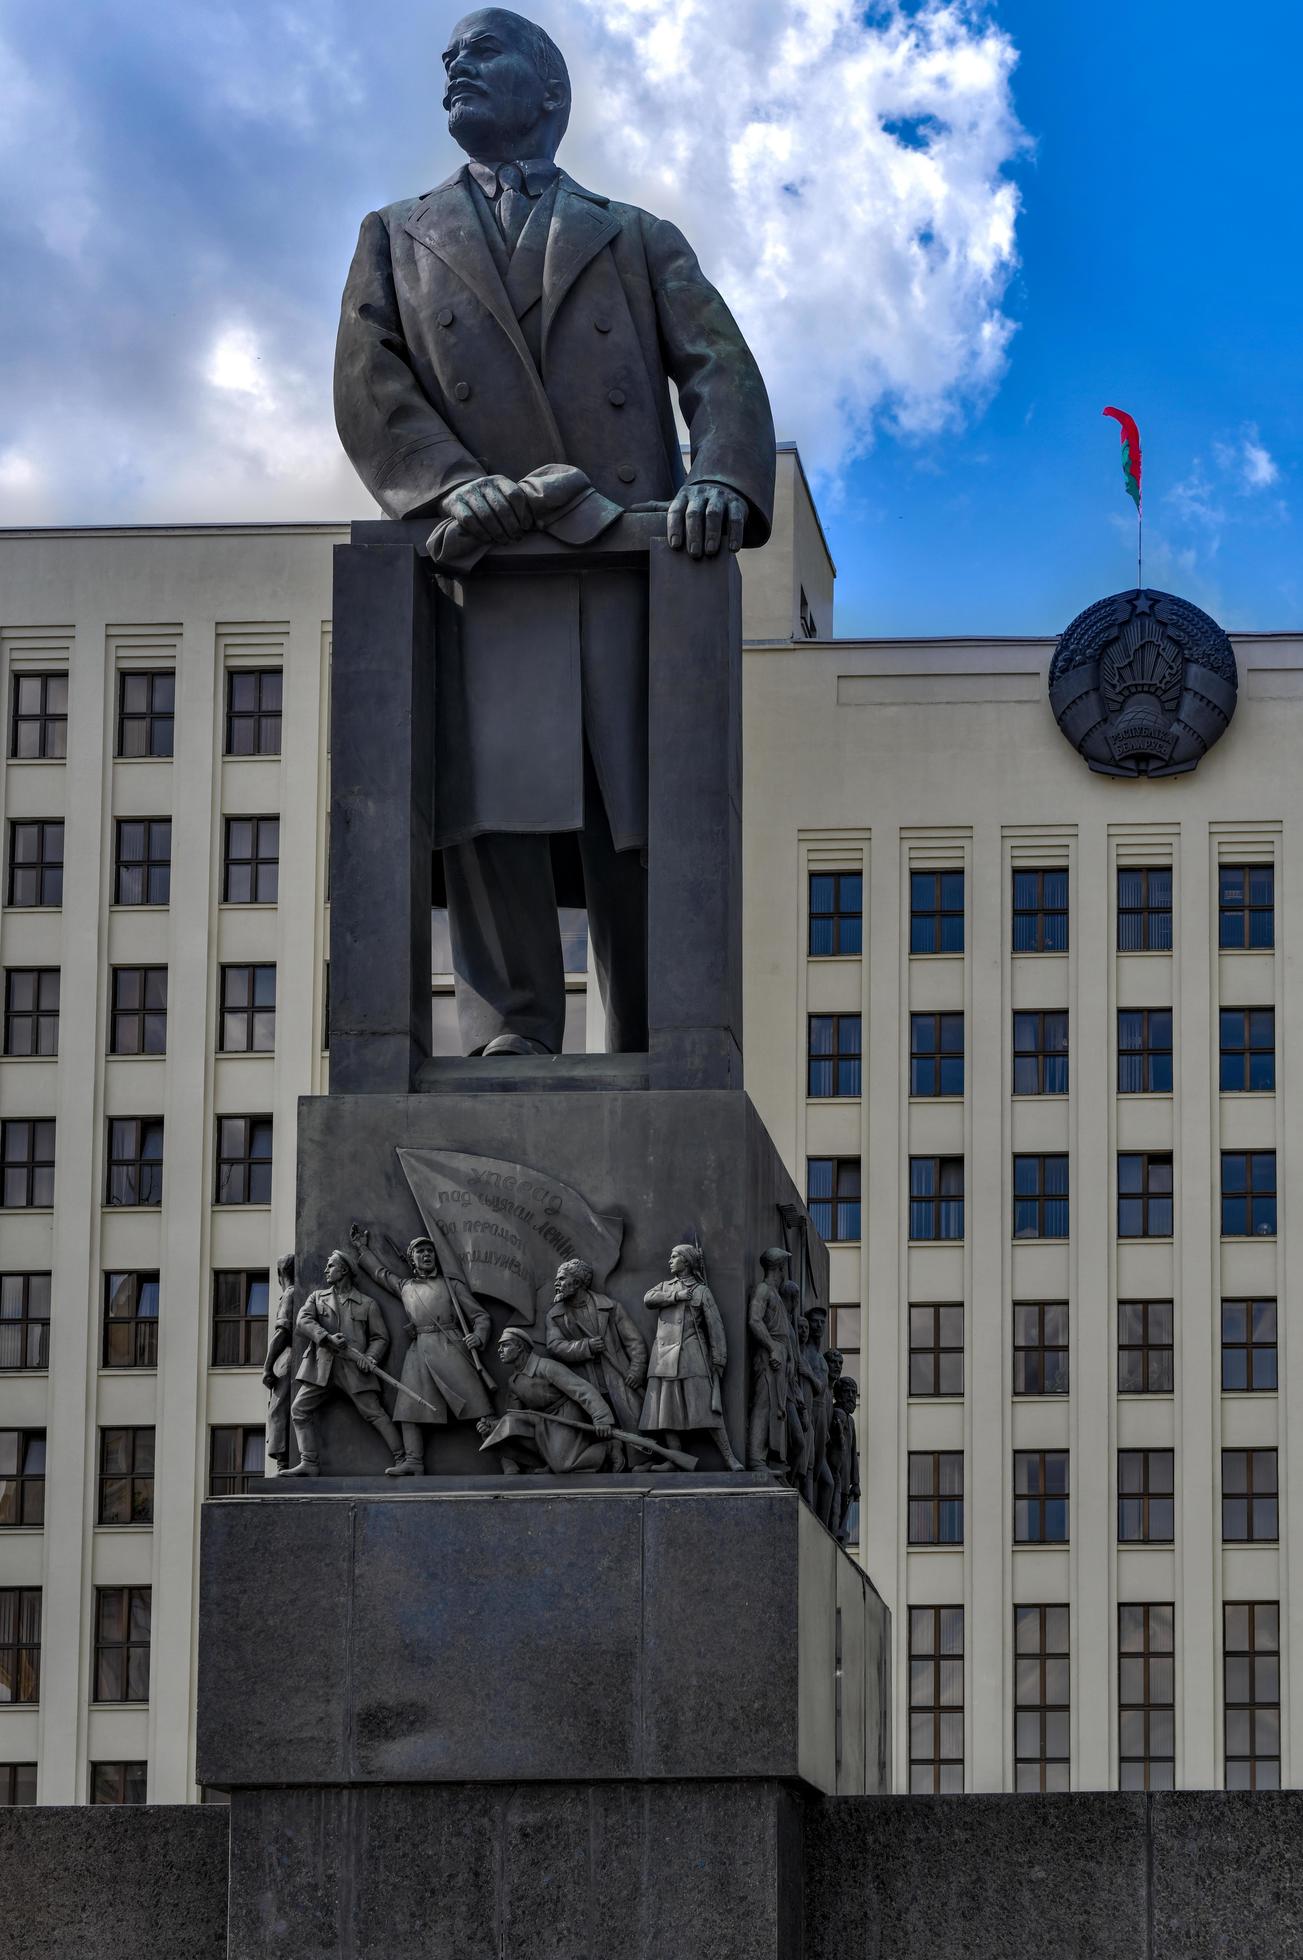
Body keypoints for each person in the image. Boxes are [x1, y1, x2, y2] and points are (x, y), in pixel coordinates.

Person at [334, 8, 776, 1057]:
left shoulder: (633, 234)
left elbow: (719, 367)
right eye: (447, 57)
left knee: (633, 818)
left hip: (619, 564)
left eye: (481, 52)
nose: (454, 66)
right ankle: (511, 1030)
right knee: (491, 807)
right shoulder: (395, 234)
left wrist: (718, 477)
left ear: (549, 93)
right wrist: (446, 488)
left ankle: (648, 1030)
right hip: (487, 564)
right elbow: (370, 382)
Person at [350, 1226, 493, 1472]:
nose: (426, 1255)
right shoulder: (405, 1286)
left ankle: (508, 1459)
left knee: (478, 1405)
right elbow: (379, 1273)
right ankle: (414, 1461)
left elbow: (480, 1316)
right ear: (412, 1258)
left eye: (430, 1251)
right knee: (408, 1407)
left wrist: (478, 1337)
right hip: (419, 1352)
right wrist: (362, 1247)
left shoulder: (451, 1285)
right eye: (420, 1251)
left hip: (451, 1346)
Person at [283, 1250, 405, 1478]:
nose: (326, 1270)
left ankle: (403, 1459)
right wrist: (326, 1338)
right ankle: (309, 1463)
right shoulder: (317, 1297)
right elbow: (302, 1321)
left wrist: (371, 1357)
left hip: (354, 1368)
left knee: (374, 1414)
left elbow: (381, 1338)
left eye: (331, 1266)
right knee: (299, 1409)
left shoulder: (367, 1304)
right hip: (323, 1368)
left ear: (345, 1270)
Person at [640, 1243, 742, 1470]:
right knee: (666, 1411)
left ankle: (729, 1458)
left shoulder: (702, 1291)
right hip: (665, 1357)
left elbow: (715, 1328)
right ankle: (675, 1459)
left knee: (708, 1409)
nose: (670, 1261)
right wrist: (677, 1295)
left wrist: (719, 1360)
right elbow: (648, 1299)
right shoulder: (665, 1287)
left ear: (686, 1262)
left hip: (692, 1354)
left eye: (675, 1257)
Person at [544, 1257, 648, 1469]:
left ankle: (643, 1461)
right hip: (583, 1382)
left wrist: (637, 1369)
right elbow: (554, 1346)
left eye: (562, 1279)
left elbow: (633, 1341)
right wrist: (586, 1347)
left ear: (579, 1282)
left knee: (632, 1417)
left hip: (617, 1378)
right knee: (591, 1428)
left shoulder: (610, 1307)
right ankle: (603, 1457)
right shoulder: (555, 1315)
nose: (557, 1284)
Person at [478, 1327, 616, 1474]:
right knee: (508, 1425)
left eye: (505, 1345)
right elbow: (513, 1415)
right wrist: (491, 1426)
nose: (499, 1350)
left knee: (565, 1467)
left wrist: (601, 1419)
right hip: (542, 1420)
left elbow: (582, 1390)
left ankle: (609, 1448)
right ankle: (546, 1460)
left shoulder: (546, 1367)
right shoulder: (514, 1381)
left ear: (520, 1347)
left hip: (565, 1415)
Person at [746, 1248, 791, 1471]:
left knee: (776, 1408)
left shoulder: (775, 1294)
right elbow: (754, 1320)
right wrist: (772, 1348)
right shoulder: (763, 1290)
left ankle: (768, 1457)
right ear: (779, 1268)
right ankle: (756, 1459)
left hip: (778, 1354)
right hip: (768, 1354)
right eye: (783, 1268)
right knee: (763, 1405)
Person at [262, 1252, 296, 1471]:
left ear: (279, 1274)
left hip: (288, 1359)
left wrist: (267, 1367)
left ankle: (283, 1460)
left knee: (279, 1407)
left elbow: (282, 1332)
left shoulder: (290, 1294)